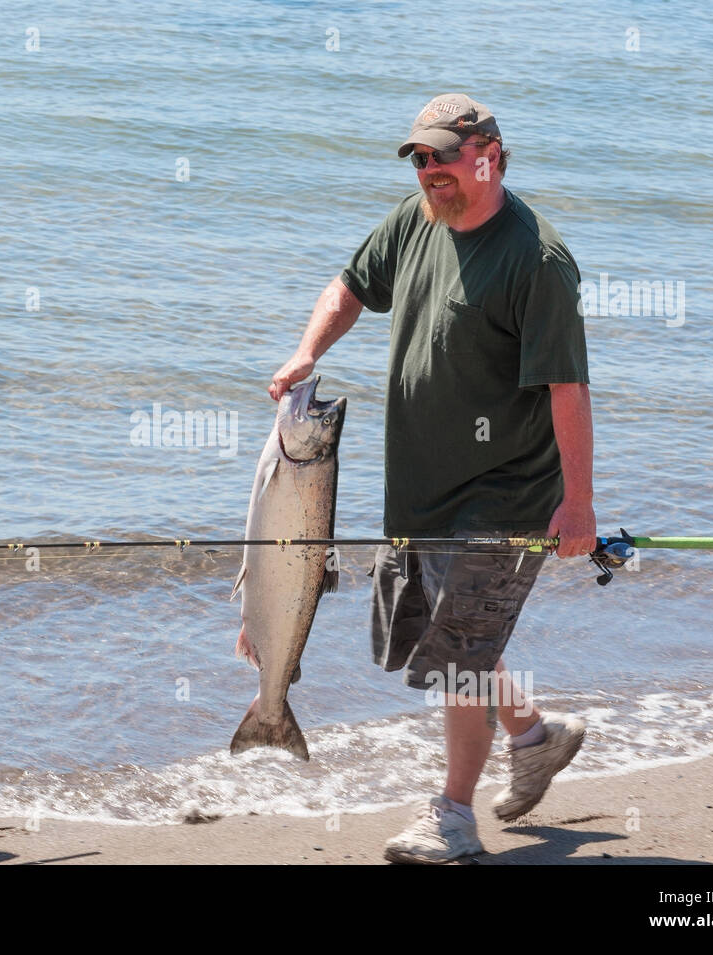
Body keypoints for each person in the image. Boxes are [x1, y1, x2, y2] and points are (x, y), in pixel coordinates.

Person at [270, 95, 595, 864]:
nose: (429, 171)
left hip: (505, 492)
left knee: (457, 656)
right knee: (447, 637)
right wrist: (308, 351)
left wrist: (577, 501)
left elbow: (568, 388)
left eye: (443, 155)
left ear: (488, 152)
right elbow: (349, 284)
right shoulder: (415, 219)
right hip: (421, 486)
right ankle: (535, 736)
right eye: (419, 158)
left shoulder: (536, 261)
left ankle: (451, 816)